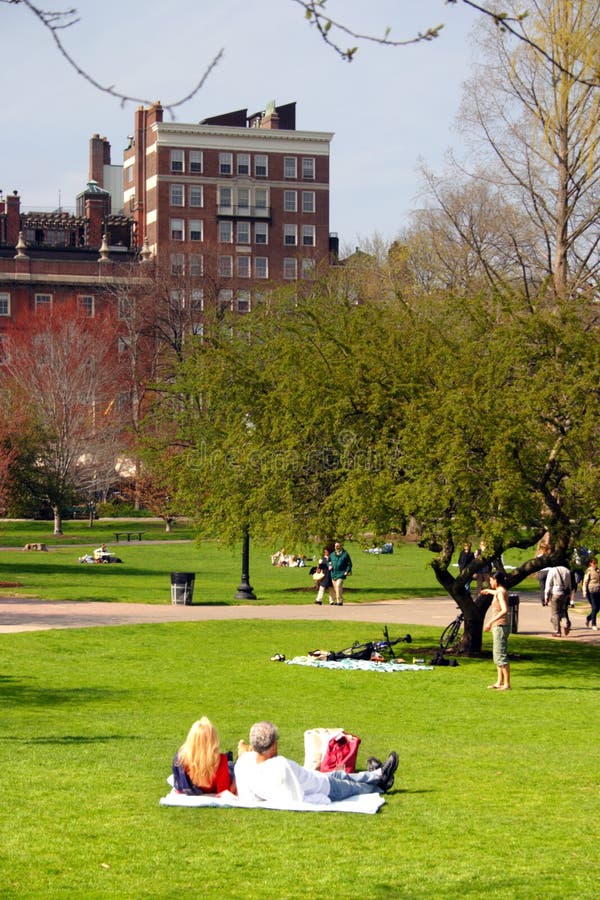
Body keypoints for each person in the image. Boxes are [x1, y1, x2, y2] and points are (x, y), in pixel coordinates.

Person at [234, 721, 398, 805]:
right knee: (357, 788)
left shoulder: (244, 763)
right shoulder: (280, 766)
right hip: (326, 788)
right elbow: (297, 799)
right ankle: (380, 785)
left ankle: (377, 774)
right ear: (274, 744)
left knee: (342, 775)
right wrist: (323, 799)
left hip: (319, 777)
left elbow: (248, 796)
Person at [172, 717, 236, 795]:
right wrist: (235, 783)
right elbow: (224, 794)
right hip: (225, 770)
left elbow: (179, 788)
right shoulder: (220, 761)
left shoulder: (181, 759)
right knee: (234, 768)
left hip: (213, 770)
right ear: (213, 741)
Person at [482, 571, 511, 691]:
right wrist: (489, 591)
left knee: (501, 655)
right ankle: (499, 682)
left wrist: (490, 622)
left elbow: (504, 610)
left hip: (500, 626)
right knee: (497, 655)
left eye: (491, 580)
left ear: (496, 580)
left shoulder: (500, 592)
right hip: (499, 626)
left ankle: (507, 684)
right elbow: (498, 592)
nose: (490, 582)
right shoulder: (500, 591)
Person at [544, 563, 572, 637]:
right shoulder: (567, 571)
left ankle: (557, 631)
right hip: (564, 594)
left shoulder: (553, 570)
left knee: (555, 612)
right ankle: (566, 624)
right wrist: (569, 595)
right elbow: (569, 584)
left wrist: (546, 596)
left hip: (556, 593)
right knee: (562, 611)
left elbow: (548, 584)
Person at [329, 541, 352, 606]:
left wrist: (347, 571)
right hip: (333, 573)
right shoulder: (332, 554)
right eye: (336, 546)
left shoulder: (345, 554)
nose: (337, 547)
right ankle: (340, 599)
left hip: (341, 573)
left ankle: (339, 601)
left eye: (338, 546)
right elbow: (329, 561)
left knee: (338, 585)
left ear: (341, 546)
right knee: (336, 588)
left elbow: (349, 564)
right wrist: (329, 565)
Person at [582, 557, 600, 630]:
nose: (595, 564)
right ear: (590, 563)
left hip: (598, 591)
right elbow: (585, 582)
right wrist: (584, 591)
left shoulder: (598, 570)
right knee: (594, 607)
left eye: (596, 563)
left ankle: (588, 618)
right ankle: (593, 624)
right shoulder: (588, 570)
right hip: (591, 591)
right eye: (593, 563)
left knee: (597, 609)